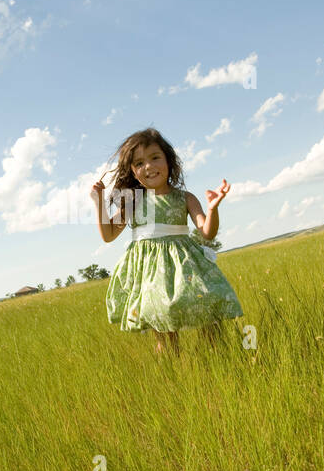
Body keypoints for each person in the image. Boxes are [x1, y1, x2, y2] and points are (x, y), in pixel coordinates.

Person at [91, 127, 244, 355]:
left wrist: (213, 209)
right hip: (149, 274)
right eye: (139, 163)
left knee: (208, 312)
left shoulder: (185, 197)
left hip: (186, 268)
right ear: (133, 171)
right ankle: (173, 374)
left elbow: (207, 232)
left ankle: (212, 359)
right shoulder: (133, 201)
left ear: (169, 161)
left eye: (155, 158)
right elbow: (108, 235)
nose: (149, 167)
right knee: (164, 332)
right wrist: (99, 203)